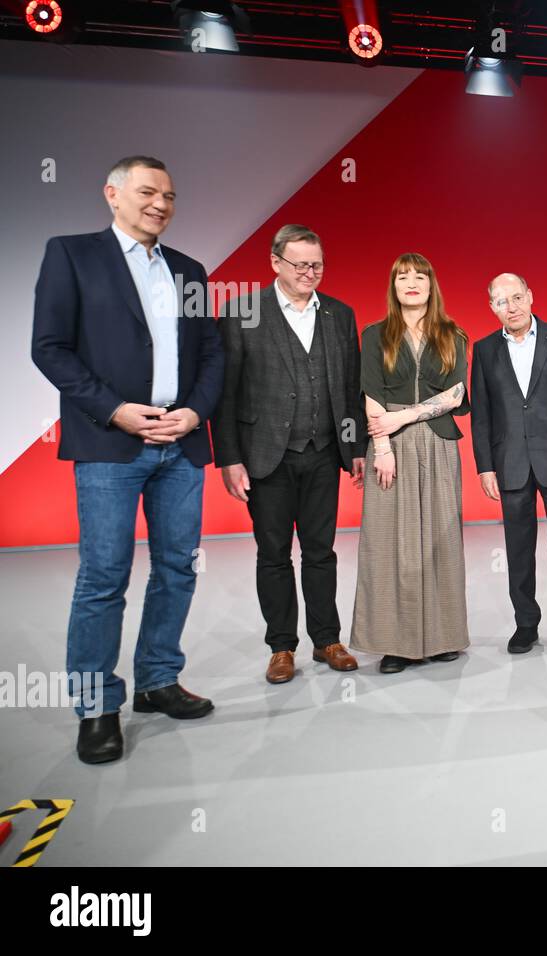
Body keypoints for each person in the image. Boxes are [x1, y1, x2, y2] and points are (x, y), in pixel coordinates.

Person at [31, 156, 223, 764]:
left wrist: (194, 413)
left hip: (180, 443)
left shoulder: (189, 269)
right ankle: (96, 708)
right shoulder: (71, 254)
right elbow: (50, 348)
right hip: (111, 444)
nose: (160, 204)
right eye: (147, 192)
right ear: (111, 194)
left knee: (177, 569)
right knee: (103, 578)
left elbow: (214, 352)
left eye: (169, 195)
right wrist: (114, 410)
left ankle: (158, 680)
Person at [212, 225, 365, 685]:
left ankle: (327, 639)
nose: (309, 272)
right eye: (300, 264)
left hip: (323, 453)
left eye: (316, 264)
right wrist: (229, 459)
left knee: (321, 552)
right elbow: (227, 394)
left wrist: (354, 446)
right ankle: (281, 646)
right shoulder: (242, 313)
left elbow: (351, 387)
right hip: (265, 456)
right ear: (275, 262)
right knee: (273, 554)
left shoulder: (340, 314)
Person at [351, 254, 471, 672]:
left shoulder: (453, 334)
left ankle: (442, 638)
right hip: (390, 445)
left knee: (440, 539)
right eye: (403, 277)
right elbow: (370, 393)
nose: (412, 283)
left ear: (431, 284)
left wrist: (402, 416)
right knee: (391, 544)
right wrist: (382, 446)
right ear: (394, 286)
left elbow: (455, 396)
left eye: (420, 276)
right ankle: (395, 643)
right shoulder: (374, 335)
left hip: (438, 442)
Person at [470, 273, 547, 655]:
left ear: (530, 296)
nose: (511, 307)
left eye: (517, 297)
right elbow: (482, 414)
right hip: (509, 462)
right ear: (492, 307)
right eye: (501, 301)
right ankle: (525, 624)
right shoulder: (485, 349)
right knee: (518, 549)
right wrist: (484, 466)